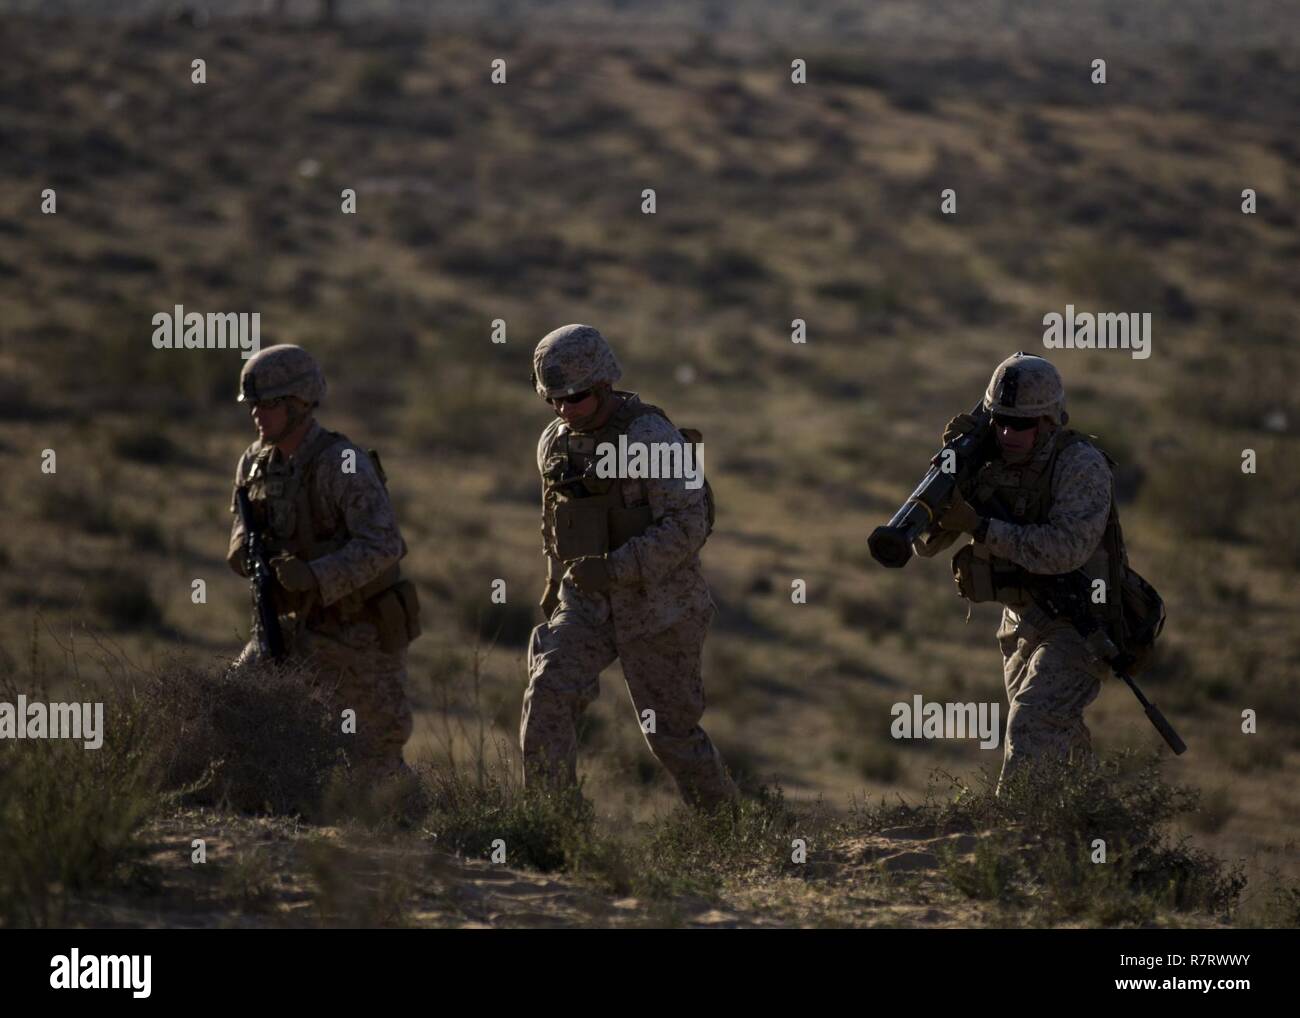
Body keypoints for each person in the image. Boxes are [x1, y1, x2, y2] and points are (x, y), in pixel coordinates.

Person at [521, 324, 737, 810]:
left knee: (670, 736)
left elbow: (689, 524)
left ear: (602, 386)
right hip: (586, 601)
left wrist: (617, 567)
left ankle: (730, 834)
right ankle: (549, 830)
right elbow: (552, 519)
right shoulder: (554, 442)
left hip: (660, 606)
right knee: (549, 691)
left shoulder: (650, 437)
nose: (563, 409)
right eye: (552, 399)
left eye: (574, 397)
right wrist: (556, 582)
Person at [914, 352, 1116, 791]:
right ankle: (1105, 829)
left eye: (1021, 425)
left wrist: (980, 526)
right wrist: (948, 472)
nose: (1008, 433)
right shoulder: (986, 458)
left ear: (1049, 421)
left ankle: (1008, 842)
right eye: (1000, 421)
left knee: (1031, 722)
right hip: (1021, 620)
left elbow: (1064, 551)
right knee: (1058, 735)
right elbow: (930, 539)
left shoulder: (1080, 465)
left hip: (1081, 619)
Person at [226, 344, 419, 780]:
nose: (258, 415)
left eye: (269, 405)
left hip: (355, 634)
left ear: (299, 404)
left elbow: (385, 543)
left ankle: (409, 837)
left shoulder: (340, 463)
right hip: (285, 627)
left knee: (375, 754)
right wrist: (243, 551)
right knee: (237, 712)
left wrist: (315, 575)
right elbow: (242, 530)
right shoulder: (254, 465)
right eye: (254, 405)